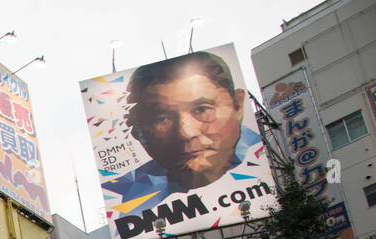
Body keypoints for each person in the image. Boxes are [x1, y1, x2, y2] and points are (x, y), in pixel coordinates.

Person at [104, 51, 261, 214]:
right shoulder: (128, 201)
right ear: (136, 130)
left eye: (202, 109)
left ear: (238, 106)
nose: (185, 132)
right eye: (162, 119)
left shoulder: (268, 159)